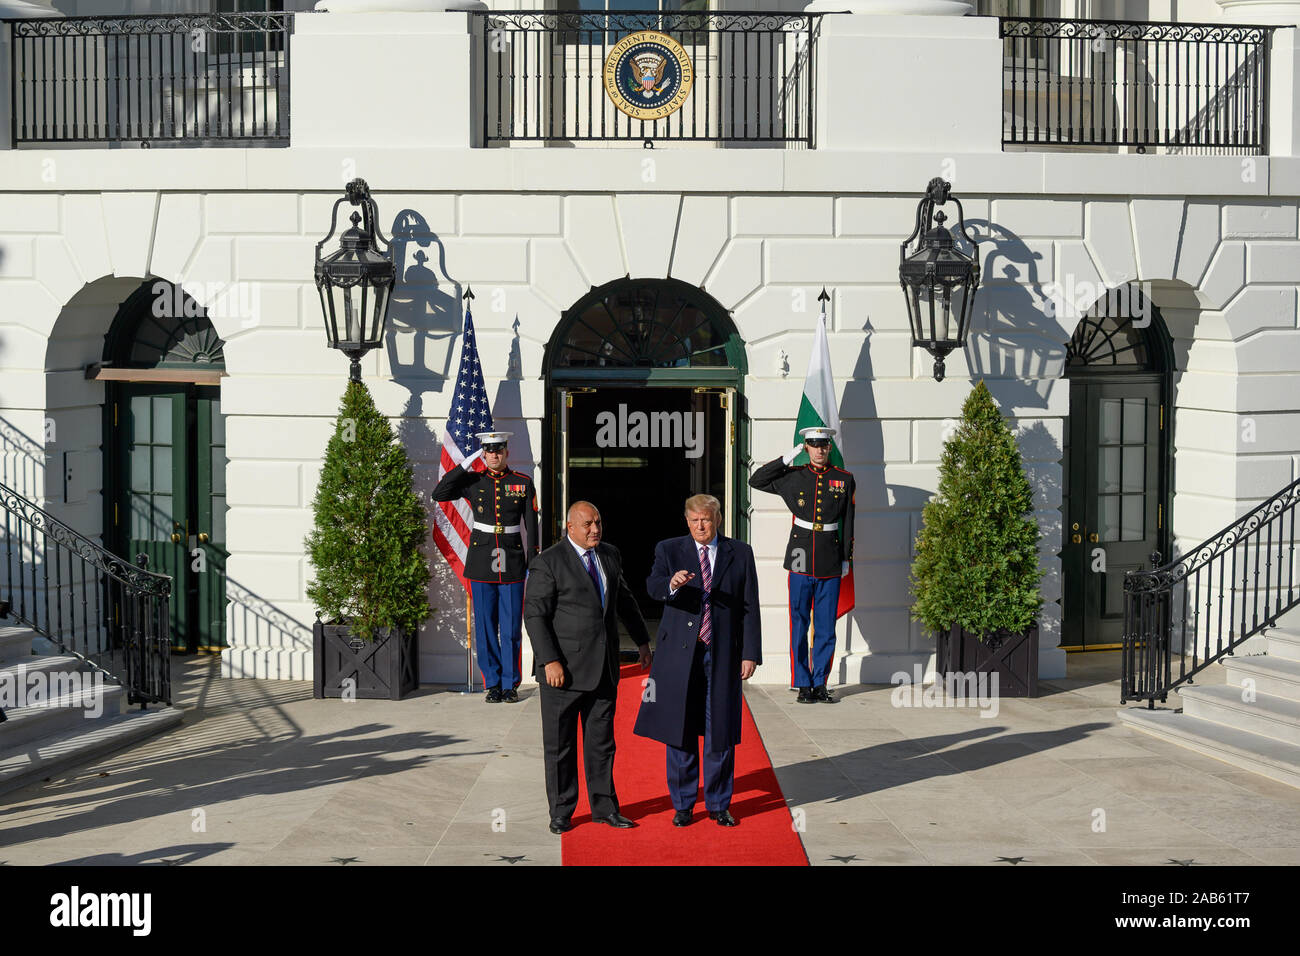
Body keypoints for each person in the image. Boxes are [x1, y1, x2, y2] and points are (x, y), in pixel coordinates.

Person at [523, 500, 651, 834]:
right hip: (562, 672)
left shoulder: (609, 554)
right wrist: (549, 660)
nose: (595, 529)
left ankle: (605, 808)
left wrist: (641, 641)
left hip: (603, 670)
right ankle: (562, 811)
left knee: (602, 744)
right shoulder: (547, 562)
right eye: (587, 525)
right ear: (570, 527)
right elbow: (534, 615)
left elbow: (623, 600)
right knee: (560, 746)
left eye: (598, 522)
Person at [633, 494, 760, 828]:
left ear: (717, 519)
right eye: (694, 521)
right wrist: (671, 585)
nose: (700, 526)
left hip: (721, 654)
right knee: (680, 729)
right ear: (686, 521)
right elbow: (652, 585)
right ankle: (684, 804)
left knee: (720, 728)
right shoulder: (669, 549)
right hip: (679, 655)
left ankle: (719, 804)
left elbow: (750, 606)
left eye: (705, 519)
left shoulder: (740, 553)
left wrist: (750, 653)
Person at [748, 426, 855, 704]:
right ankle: (802, 682)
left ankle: (820, 682)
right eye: (813, 444)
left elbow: (849, 522)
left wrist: (846, 558)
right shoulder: (793, 477)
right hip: (800, 555)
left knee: (826, 626)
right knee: (798, 622)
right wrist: (787, 457)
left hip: (830, 557)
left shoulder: (843, 479)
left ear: (830, 447)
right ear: (806, 447)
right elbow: (756, 480)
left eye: (823, 445)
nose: (819, 450)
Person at [431, 431, 538, 703]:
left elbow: (531, 524)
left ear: (506, 452)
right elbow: (440, 493)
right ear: (483, 453)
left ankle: (510, 683)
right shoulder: (473, 481)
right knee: (486, 626)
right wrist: (466, 464)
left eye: (498, 449)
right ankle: (492, 683)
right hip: (481, 562)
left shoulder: (522, 482)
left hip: (512, 560)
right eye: (488, 450)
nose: (494, 454)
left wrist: (533, 558)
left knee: (511, 626)